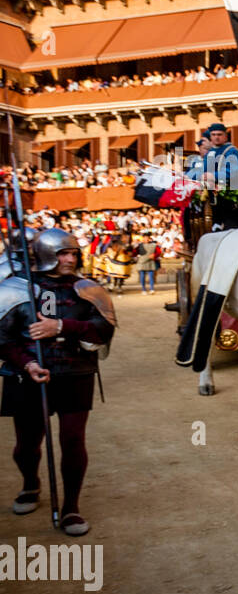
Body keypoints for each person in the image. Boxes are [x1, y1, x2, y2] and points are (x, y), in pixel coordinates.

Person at [0, 229, 116, 536]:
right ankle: (30, 483)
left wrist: (62, 325)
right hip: (27, 374)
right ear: (44, 255)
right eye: (63, 253)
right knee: (27, 444)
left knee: (73, 440)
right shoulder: (14, 287)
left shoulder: (88, 288)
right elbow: (3, 337)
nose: (70, 259)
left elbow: (103, 330)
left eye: (74, 253)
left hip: (74, 372)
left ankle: (71, 507)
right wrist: (27, 362)